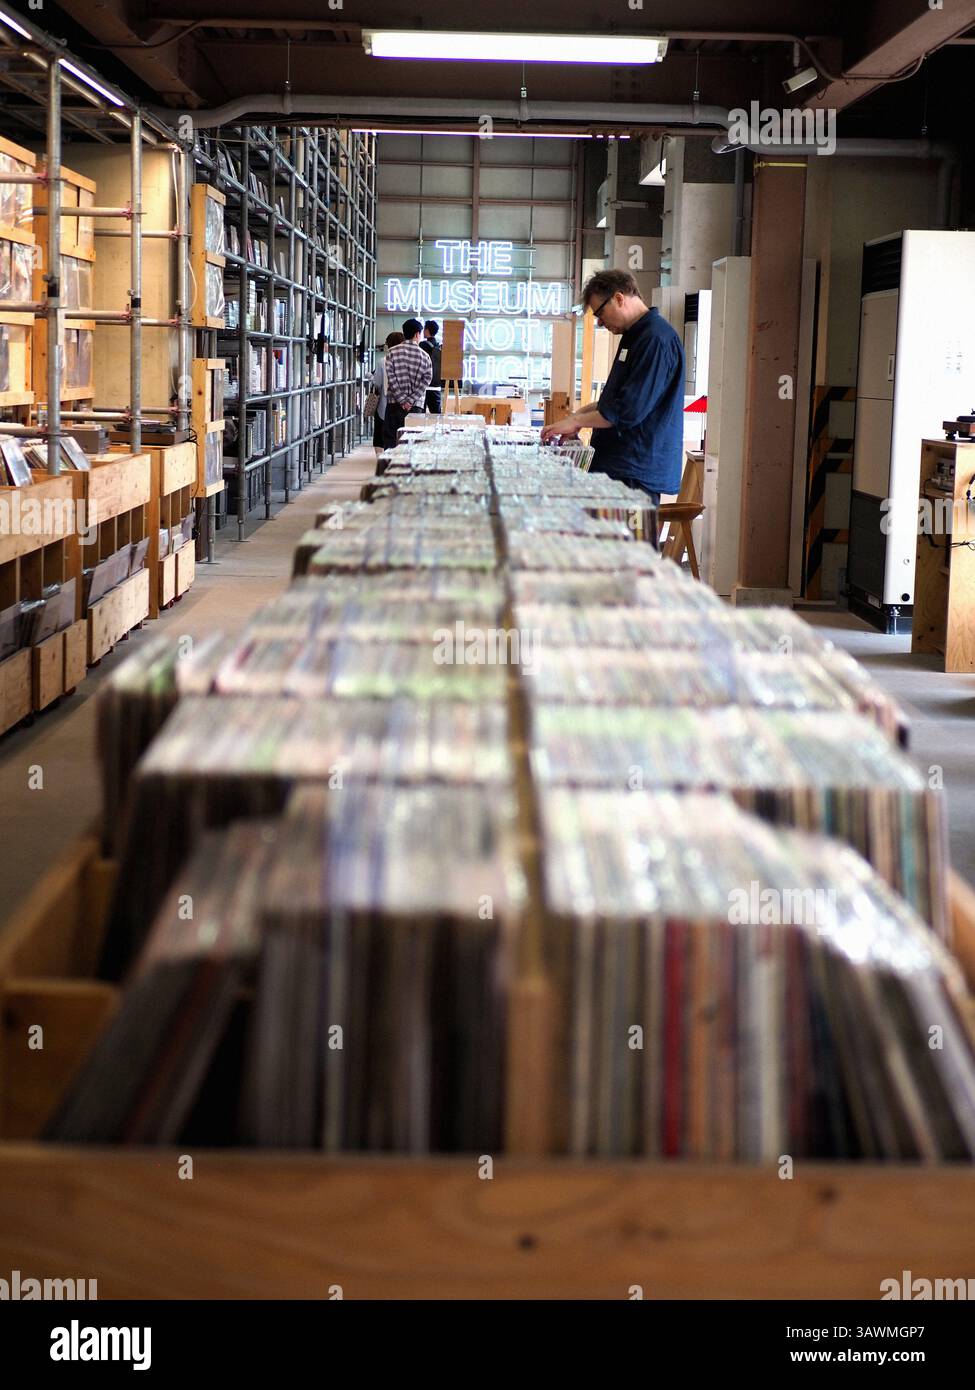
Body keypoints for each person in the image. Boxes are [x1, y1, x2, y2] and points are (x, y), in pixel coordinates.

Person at [540, 269, 685, 506]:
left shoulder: (655, 340)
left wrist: (577, 422)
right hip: (617, 467)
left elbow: (627, 411)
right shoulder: (635, 337)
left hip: (633, 473)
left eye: (600, 312)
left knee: (626, 542)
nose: (599, 322)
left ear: (619, 298)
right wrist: (577, 416)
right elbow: (613, 400)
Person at [382, 318, 433, 449]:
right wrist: (410, 400)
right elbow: (426, 380)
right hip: (416, 406)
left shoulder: (392, 352)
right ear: (417, 334)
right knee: (414, 443)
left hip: (394, 404)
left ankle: (390, 468)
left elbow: (391, 379)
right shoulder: (425, 356)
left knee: (392, 442)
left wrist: (402, 400)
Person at [368, 331, 404, 460]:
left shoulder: (382, 361)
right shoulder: (406, 360)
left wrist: (371, 377)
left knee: (381, 432)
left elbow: (377, 382)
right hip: (404, 403)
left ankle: (382, 460)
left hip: (385, 403)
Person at [419, 320, 442, 414]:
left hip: (423, 387)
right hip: (436, 387)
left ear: (427, 330)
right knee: (436, 417)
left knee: (420, 416)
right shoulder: (439, 347)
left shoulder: (422, 345)